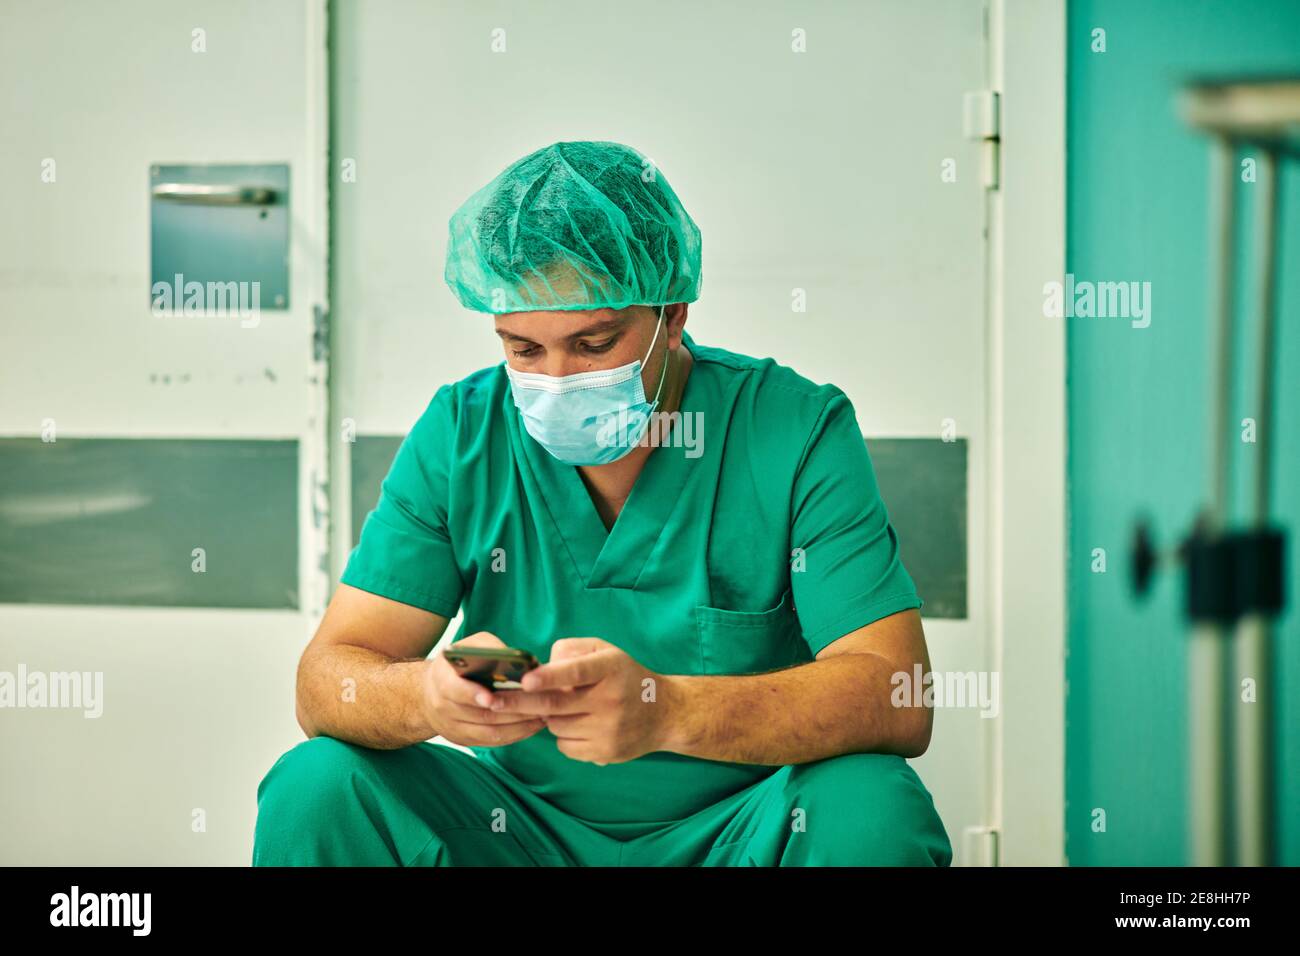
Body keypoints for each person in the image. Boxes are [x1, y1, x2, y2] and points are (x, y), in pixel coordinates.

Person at [252, 141, 952, 866]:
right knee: (319, 784)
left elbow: (896, 693)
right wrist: (427, 696)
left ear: (671, 313)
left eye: (592, 343)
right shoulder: (465, 432)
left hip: (741, 833)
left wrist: (669, 710)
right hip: (514, 834)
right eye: (523, 349)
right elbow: (327, 679)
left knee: (873, 804)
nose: (556, 381)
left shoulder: (792, 429)